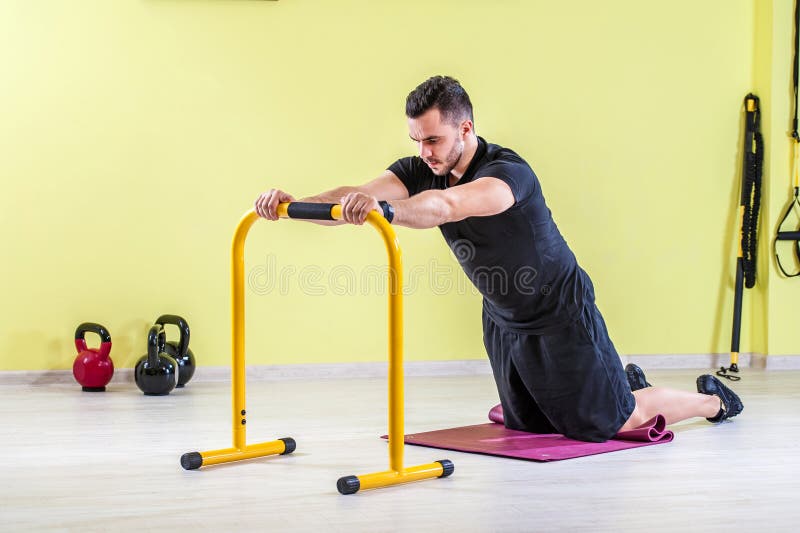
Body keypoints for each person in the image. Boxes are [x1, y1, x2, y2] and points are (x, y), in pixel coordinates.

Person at [254, 75, 743, 442]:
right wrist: (294, 205)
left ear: (465, 128)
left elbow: (445, 206)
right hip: (505, 319)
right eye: (417, 141)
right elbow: (353, 196)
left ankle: (710, 401)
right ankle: (622, 380)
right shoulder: (421, 168)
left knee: (609, 422)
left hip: (560, 311)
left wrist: (383, 210)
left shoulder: (507, 174)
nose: (424, 152)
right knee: (530, 424)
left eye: (433, 140)